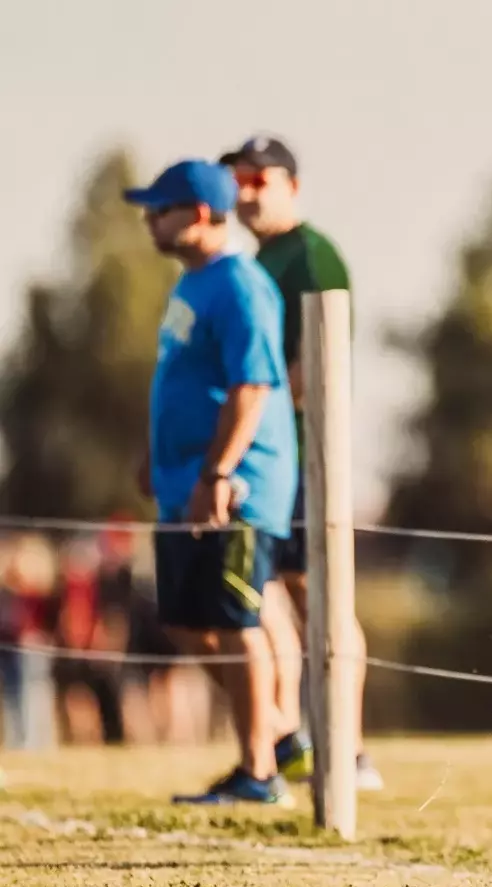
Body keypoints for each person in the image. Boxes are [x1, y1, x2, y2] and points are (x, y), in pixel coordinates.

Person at [125, 159, 298, 804]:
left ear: (199, 215)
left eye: (160, 210)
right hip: (182, 481)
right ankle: (277, 736)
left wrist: (217, 472)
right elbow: (184, 380)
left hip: (231, 487)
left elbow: (252, 386)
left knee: (233, 621)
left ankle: (260, 770)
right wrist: (155, 453)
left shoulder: (240, 285)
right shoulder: (191, 286)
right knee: (180, 619)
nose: (150, 221)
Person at [220, 135, 382, 792]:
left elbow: (314, 365)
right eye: (238, 180)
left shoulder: (311, 255)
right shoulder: (262, 258)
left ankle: (352, 752)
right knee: (277, 598)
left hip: (307, 458)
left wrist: (247, 423)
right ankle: (293, 738)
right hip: (272, 461)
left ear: (292, 185)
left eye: (261, 178)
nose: (248, 192)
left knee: (324, 598)